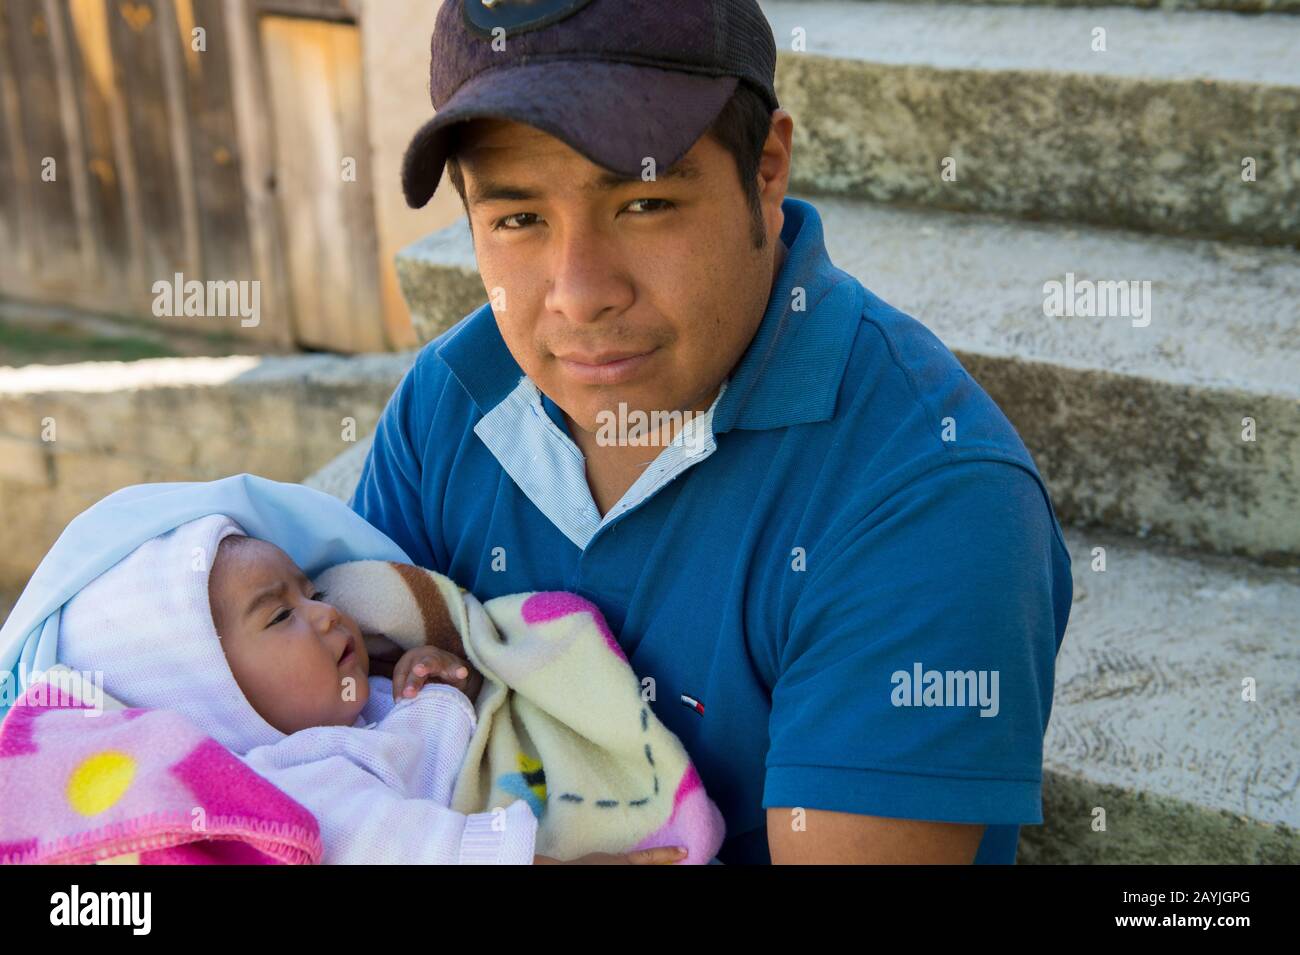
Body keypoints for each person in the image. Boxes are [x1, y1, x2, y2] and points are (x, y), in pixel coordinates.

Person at [351, 0, 1074, 864]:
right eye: (518, 219)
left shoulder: (932, 499)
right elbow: (296, 736)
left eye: (646, 201)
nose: (580, 293)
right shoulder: (452, 400)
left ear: (766, 170)